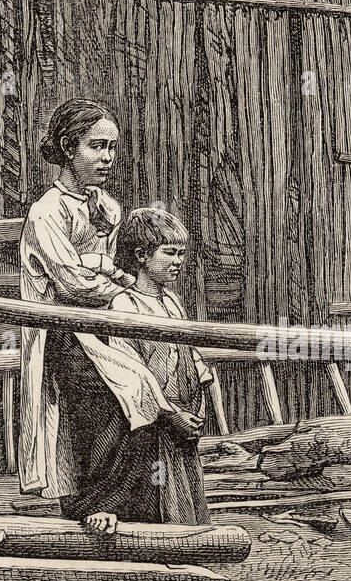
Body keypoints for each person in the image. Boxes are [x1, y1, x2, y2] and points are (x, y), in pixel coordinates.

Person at [17, 98, 151, 501]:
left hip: (100, 325)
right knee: (119, 396)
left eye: (112, 147)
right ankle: (95, 500)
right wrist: (121, 284)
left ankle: (141, 502)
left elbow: (102, 271)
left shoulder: (107, 207)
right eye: (96, 146)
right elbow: (75, 284)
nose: (107, 158)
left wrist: (108, 276)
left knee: (154, 382)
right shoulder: (46, 212)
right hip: (59, 332)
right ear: (67, 147)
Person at [47, 206, 213, 530]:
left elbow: (191, 354)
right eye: (169, 253)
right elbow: (132, 372)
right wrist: (171, 414)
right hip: (156, 421)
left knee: (185, 493)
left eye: (181, 253)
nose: (178, 261)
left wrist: (200, 402)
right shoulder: (124, 304)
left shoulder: (173, 302)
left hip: (183, 412)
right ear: (141, 255)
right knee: (155, 491)